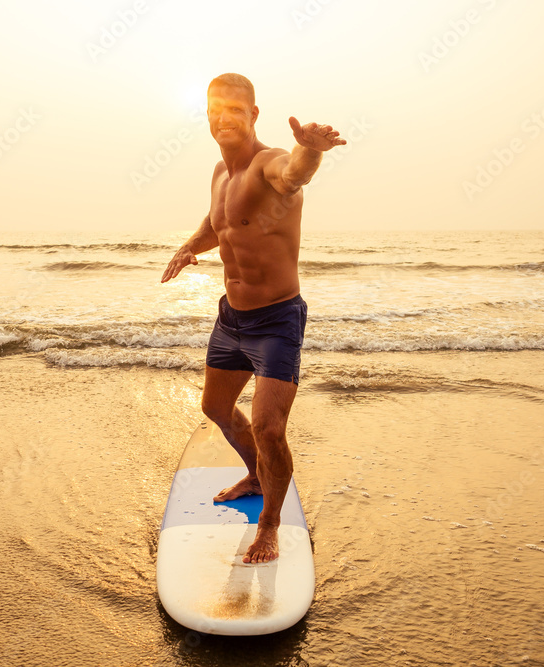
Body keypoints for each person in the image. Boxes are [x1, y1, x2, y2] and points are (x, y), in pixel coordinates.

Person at [161, 73, 346, 563]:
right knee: (216, 409)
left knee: (269, 429)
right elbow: (217, 224)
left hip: (277, 321)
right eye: (214, 111)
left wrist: (311, 150)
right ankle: (257, 474)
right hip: (231, 319)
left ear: (253, 115)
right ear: (206, 117)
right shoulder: (220, 174)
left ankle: (269, 526)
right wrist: (188, 246)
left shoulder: (268, 165)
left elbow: (294, 176)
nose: (224, 119)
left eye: (235, 111)